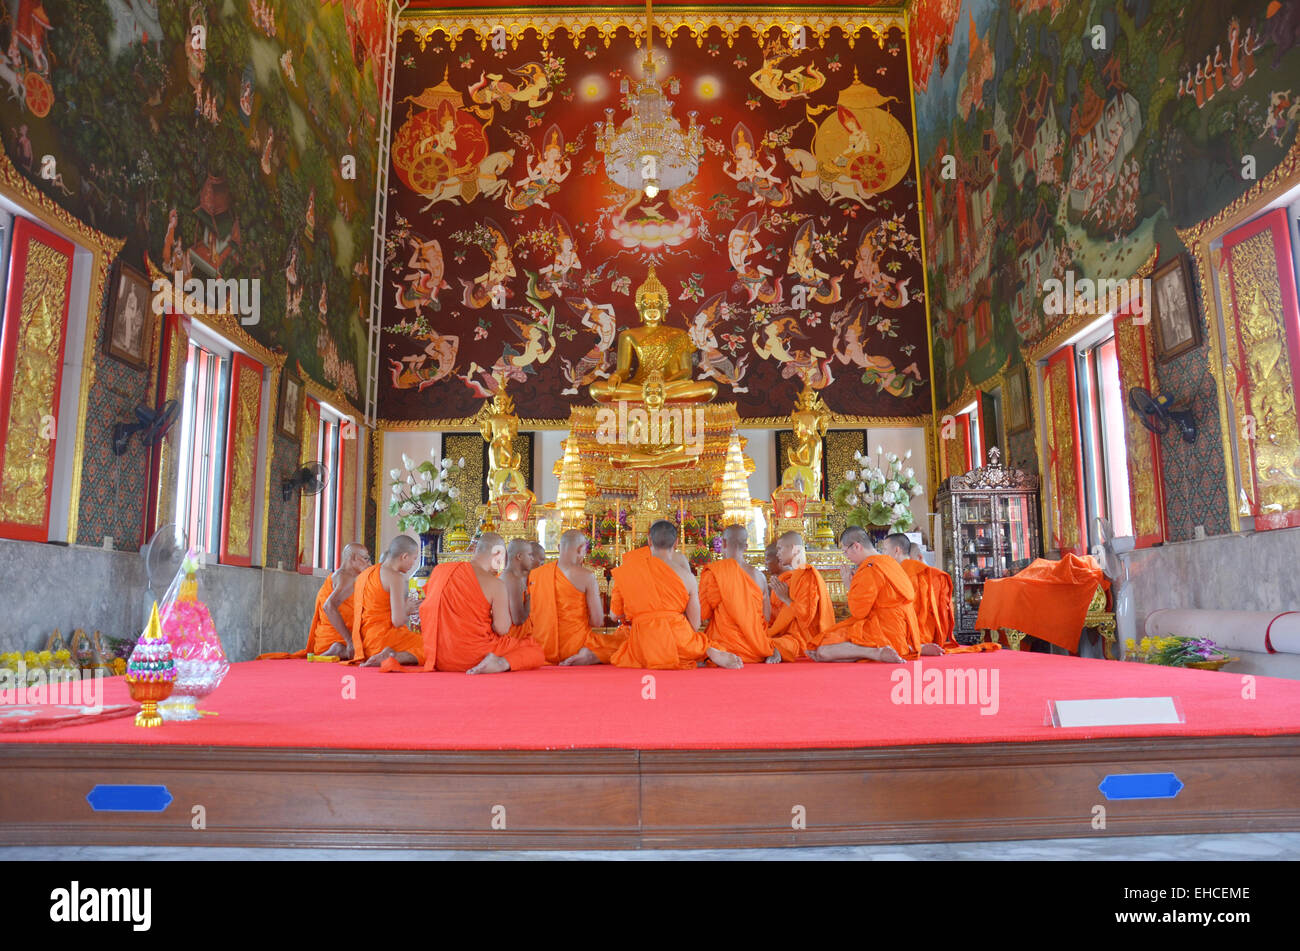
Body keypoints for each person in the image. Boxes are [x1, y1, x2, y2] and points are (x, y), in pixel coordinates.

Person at [561, 520, 742, 669]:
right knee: (699, 641)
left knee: (618, 643)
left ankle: (592, 654)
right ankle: (705, 652)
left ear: (649, 541)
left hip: (643, 637)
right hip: (678, 637)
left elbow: (616, 615)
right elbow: (695, 624)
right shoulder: (687, 577)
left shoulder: (628, 571)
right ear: (676, 543)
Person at [399, 532, 546, 674]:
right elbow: (502, 629)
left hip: (439, 657)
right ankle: (501, 663)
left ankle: (400, 656)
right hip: (475, 656)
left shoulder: (440, 571)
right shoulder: (495, 584)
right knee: (534, 650)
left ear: (476, 550)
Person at [808, 526, 940, 663]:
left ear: (857, 546)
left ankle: (876, 652)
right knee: (830, 640)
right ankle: (912, 646)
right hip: (906, 630)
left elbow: (858, 612)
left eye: (845, 552)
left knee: (822, 649)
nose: (846, 557)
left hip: (885, 631)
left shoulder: (870, 568)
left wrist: (849, 585)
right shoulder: (890, 562)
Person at [258, 543, 370, 659]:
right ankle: (340, 650)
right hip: (338, 640)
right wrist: (350, 641)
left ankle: (338, 650)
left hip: (328, 640)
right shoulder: (346, 577)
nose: (369, 563)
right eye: (366, 558)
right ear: (353, 558)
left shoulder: (340, 575)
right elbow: (329, 606)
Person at [698, 524, 779, 663]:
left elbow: (703, 615)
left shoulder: (715, 573)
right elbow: (766, 617)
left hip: (724, 649)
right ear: (746, 546)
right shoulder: (759, 576)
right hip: (756, 649)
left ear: (723, 543)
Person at [525, 529, 604, 665]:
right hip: (576, 646)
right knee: (621, 644)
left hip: (541, 648)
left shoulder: (535, 575)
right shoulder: (587, 576)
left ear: (559, 547)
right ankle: (587, 655)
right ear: (581, 549)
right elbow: (597, 621)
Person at [350, 536, 425, 668]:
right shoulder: (395, 577)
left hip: (364, 645)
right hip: (385, 640)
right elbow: (398, 620)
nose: (413, 564)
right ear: (404, 556)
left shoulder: (365, 574)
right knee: (433, 647)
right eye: (414, 558)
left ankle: (388, 653)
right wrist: (406, 610)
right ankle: (394, 656)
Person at [766, 530, 835, 661]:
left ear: (793, 548)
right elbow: (778, 614)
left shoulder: (806, 575)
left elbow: (805, 616)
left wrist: (785, 598)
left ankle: (777, 650)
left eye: (780, 549)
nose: (778, 554)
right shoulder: (789, 577)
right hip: (786, 633)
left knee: (780, 644)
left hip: (804, 638)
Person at [502, 538, 539, 636]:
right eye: (530, 555)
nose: (532, 558)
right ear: (519, 556)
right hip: (515, 639)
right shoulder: (514, 580)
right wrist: (528, 604)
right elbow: (518, 619)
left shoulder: (507, 575)